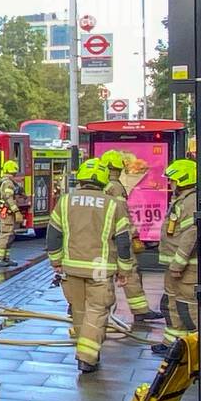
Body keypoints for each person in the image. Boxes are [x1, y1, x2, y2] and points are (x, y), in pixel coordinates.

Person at [47, 158, 137, 373]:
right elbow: (124, 241)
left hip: (71, 268)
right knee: (97, 310)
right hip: (99, 268)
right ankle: (87, 357)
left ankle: (84, 349)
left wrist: (56, 261)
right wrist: (124, 270)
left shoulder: (65, 201)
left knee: (79, 311)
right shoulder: (113, 204)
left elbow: (53, 235)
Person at [98, 149, 163, 322]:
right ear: (117, 168)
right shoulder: (116, 187)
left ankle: (82, 309)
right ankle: (140, 310)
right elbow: (121, 215)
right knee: (131, 271)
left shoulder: (99, 185)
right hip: (117, 238)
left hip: (100, 238)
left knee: (98, 275)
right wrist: (133, 235)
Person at [156, 158, 199, 357]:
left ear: (183, 180)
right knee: (170, 302)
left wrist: (178, 263)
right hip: (174, 264)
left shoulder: (191, 201)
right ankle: (172, 343)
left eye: (172, 180)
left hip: (185, 268)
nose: (170, 184)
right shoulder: (182, 199)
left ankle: (197, 348)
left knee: (187, 307)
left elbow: (191, 234)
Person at [0, 159, 23, 267]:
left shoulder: (7, 182)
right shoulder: (8, 183)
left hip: (9, 213)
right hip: (7, 213)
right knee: (5, 235)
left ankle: (6, 257)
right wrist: (17, 211)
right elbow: (8, 198)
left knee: (10, 235)